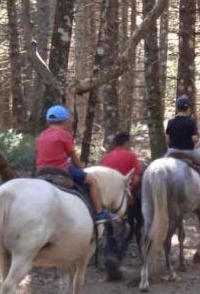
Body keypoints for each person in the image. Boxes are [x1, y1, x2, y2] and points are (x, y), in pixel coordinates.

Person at [35, 105, 110, 221]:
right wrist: (81, 169)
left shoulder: (41, 135)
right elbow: (73, 157)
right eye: (69, 121)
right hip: (60, 171)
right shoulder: (64, 135)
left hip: (41, 172)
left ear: (48, 121)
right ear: (65, 121)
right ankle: (99, 213)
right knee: (92, 181)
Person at [100, 131, 144, 279]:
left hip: (108, 200)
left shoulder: (106, 157)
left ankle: (109, 256)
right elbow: (136, 179)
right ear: (126, 142)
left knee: (109, 229)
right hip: (126, 199)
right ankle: (117, 258)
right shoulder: (131, 156)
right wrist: (131, 190)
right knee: (130, 228)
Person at [165, 95, 200, 200]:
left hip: (172, 152)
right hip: (187, 153)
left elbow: (167, 139)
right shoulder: (190, 122)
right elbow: (194, 139)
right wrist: (196, 138)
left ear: (178, 108)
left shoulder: (170, 122)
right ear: (187, 108)